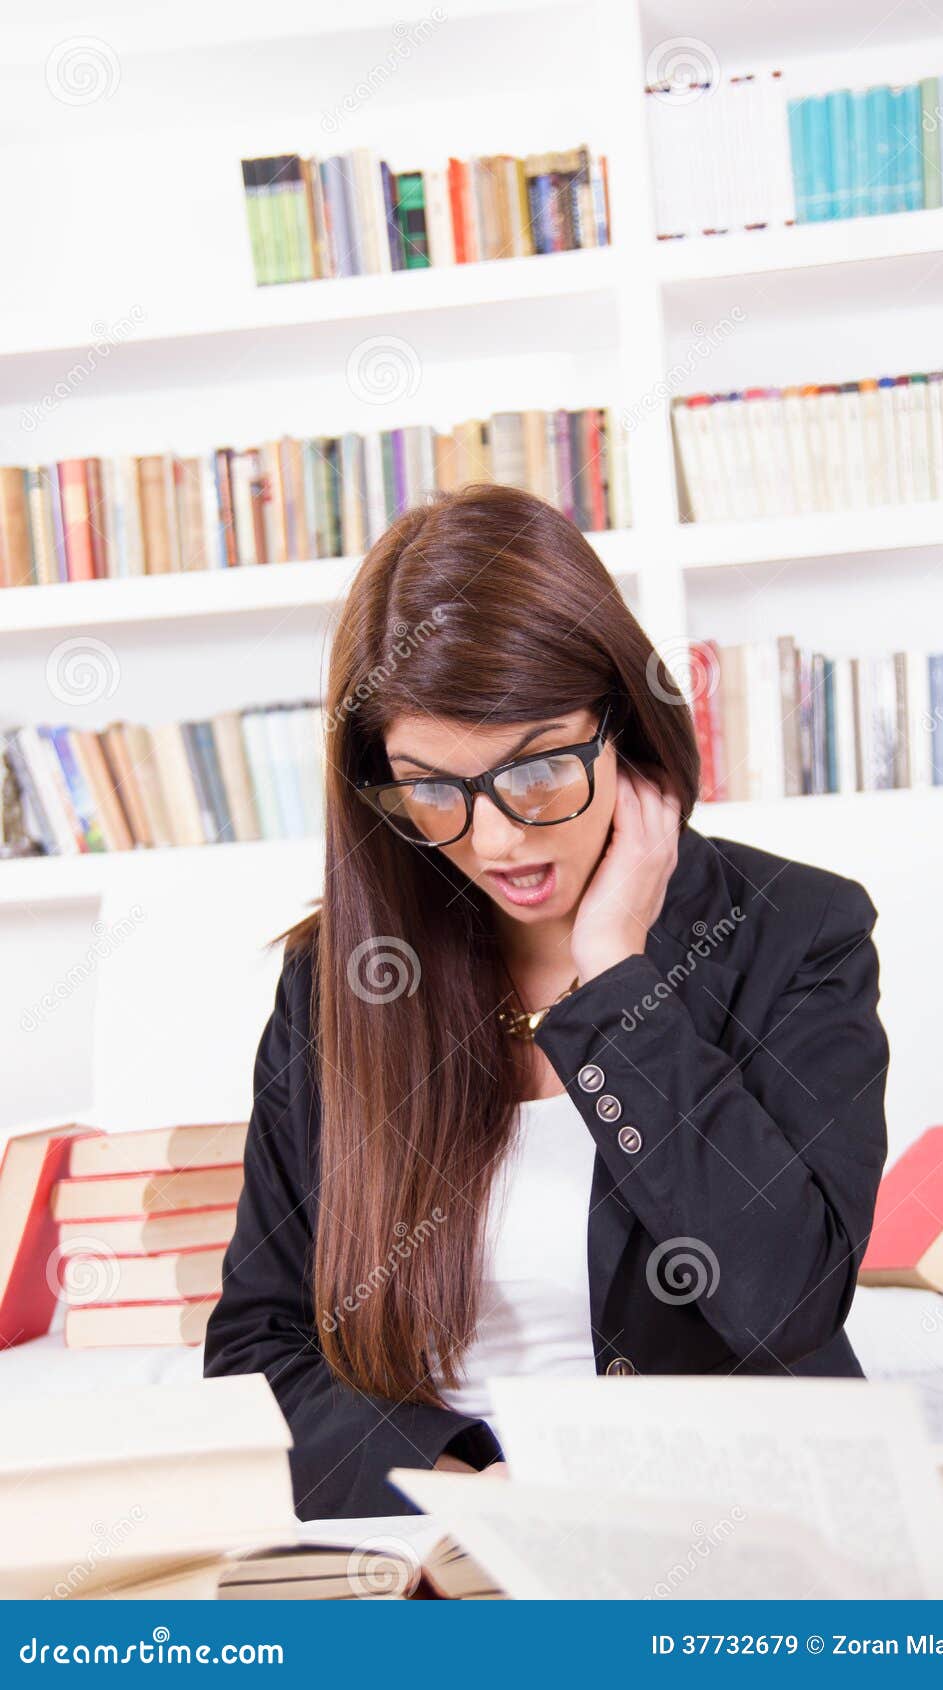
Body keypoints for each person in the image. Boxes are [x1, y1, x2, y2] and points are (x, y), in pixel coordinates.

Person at [203, 483, 889, 1519]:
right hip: (447, 1537)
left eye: (538, 768)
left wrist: (614, 979)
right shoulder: (340, 981)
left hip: (726, 1528)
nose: (496, 840)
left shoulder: (795, 931)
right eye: (431, 786)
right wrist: (466, 1494)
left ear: (625, 725)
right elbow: (259, 1349)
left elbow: (784, 1301)